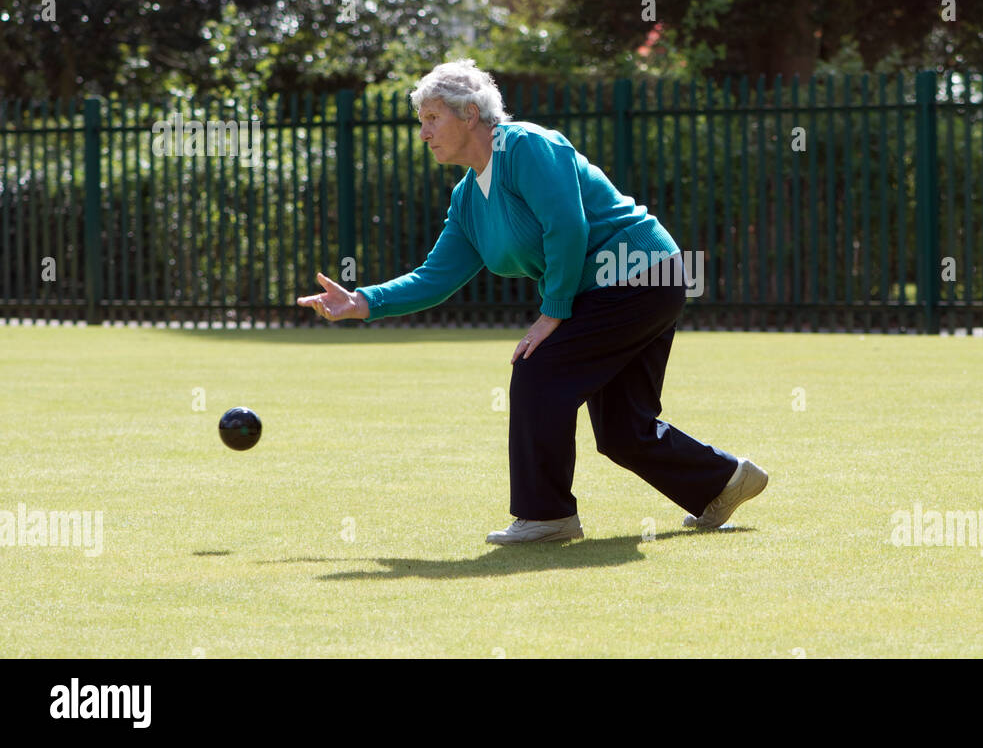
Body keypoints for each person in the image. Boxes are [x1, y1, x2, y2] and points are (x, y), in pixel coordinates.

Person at [296, 60, 768, 542]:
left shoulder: (527, 146)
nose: (424, 133)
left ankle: (547, 516)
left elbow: (567, 226)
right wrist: (363, 301)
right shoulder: (467, 200)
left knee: (538, 369)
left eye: (432, 119)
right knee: (623, 430)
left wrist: (553, 312)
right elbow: (436, 277)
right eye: (422, 122)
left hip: (640, 273)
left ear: (470, 115)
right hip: (620, 285)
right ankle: (724, 481)